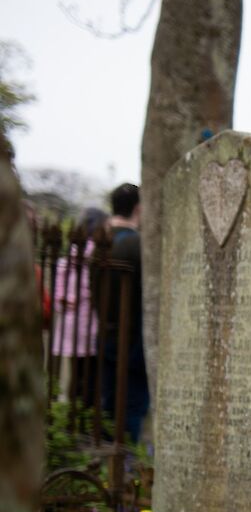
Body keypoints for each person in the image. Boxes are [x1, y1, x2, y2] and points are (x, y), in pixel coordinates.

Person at [100, 184, 149, 443]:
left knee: (109, 405)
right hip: (134, 343)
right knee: (131, 410)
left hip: (106, 337)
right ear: (138, 208)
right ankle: (126, 468)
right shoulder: (138, 245)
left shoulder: (99, 241)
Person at [53, 207, 106, 409]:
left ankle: (74, 415)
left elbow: (60, 297)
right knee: (90, 376)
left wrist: (68, 299)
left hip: (70, 323)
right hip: (88, 321)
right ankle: (84, 414)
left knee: (77, 374)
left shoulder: (67, 259)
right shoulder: (97, 254)